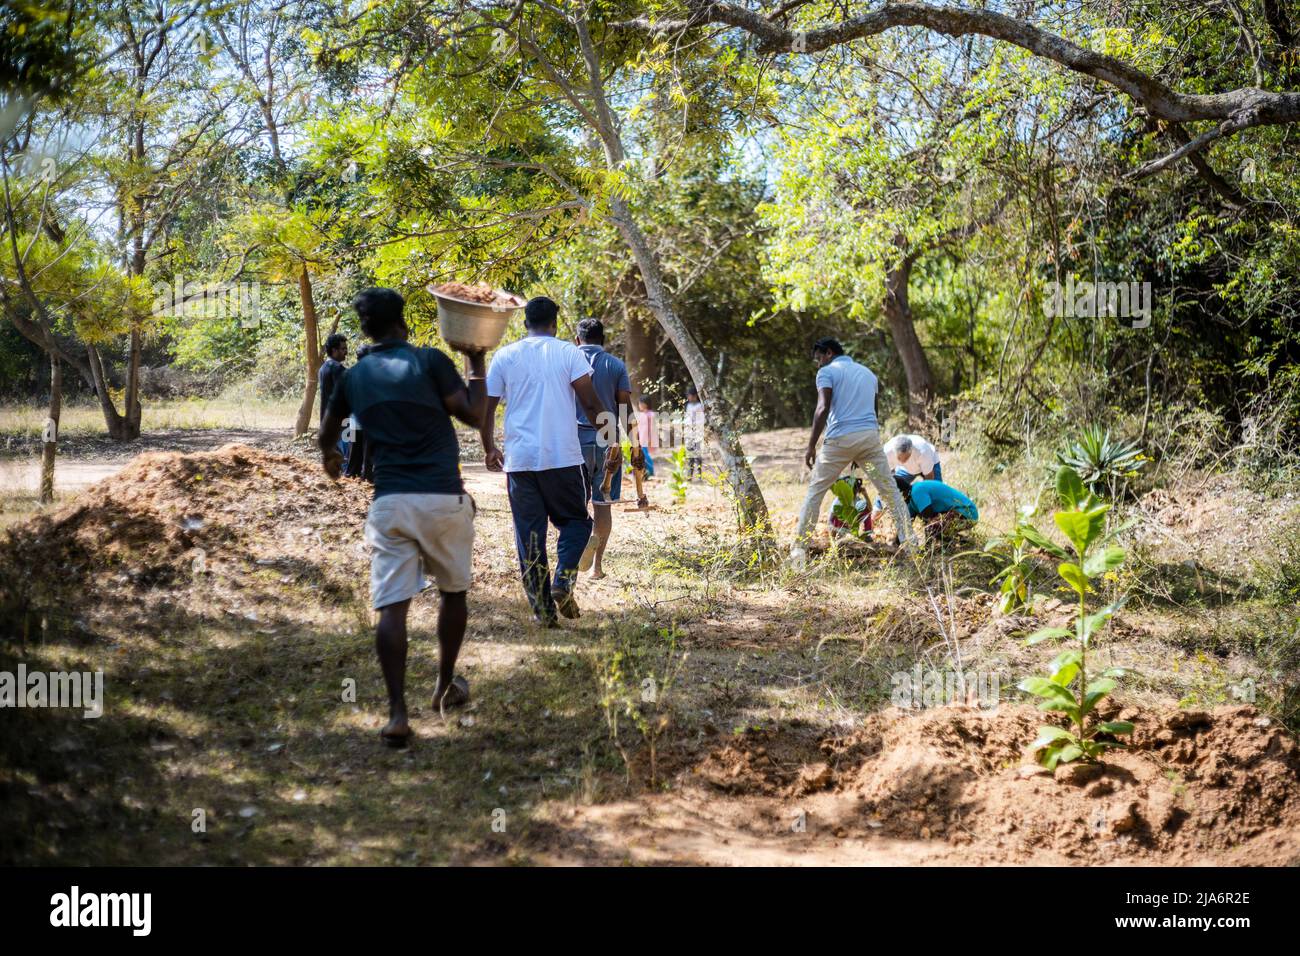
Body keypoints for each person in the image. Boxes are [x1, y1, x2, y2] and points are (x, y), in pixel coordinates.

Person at [318, 288, 487, 748]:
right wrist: (476, 361)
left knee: (392, 607)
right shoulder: (430, 361)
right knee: (454, 594)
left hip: (389, 503)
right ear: (403, 323)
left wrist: (332, 460)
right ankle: (444, 685)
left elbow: (327, 436)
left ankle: (396, 714)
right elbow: (473, 415)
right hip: (442, 500)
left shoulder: (351, 378)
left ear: (365, 329)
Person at [481, 296, 619, 625]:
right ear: (555, 323)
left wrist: (489, 447)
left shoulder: (505, 356)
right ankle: (564, 580)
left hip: (520, 462)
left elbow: (486, 409)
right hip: (563, 459)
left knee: (530, 536)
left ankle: (543, 613)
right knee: (577, 523)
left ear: (525, 322)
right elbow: (589, 403)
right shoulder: (568, 353)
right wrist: (611, 438)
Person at [792, 337, 916, 567]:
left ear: (829, 353)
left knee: (816, 492)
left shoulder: (827, 373)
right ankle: (912, 544)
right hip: (869, 439)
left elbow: (822, 408)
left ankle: (799, 550)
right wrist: (862, 452)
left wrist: (811, 446)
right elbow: (874, 412)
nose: (818, 363)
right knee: (890, 492)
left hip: (839, 440)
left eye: (819, 358)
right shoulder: (869, 374)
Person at [573, 318, 635, 581]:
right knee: (603, 504)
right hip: (607, 443)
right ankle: (597, 567)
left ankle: (571, 557)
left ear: (578, 340)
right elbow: (625, 410)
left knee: (574, 506)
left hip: (572, 443)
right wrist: (636, 445)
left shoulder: (567, 361)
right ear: (603, 340)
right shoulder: (615, 364)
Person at [894, 472, 978, 539]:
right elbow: (906, 524)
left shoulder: (917, 491)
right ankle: (959, 540)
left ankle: (957, 542)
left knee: (932, 527)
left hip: (968, 513)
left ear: (900, 493)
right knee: (932, 527)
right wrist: (896, 543)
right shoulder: (911, 500)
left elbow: (928, 517)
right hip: (958, 514)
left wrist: (927, 549)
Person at [319, 333, 350, 463]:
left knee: (335, 458)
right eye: (343, 349)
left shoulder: (323, 368)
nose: (346, 352)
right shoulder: (337, 368)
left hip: (328, 420)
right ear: (334, 350)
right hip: (343, 422)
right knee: (346, 457)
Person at [684, 386, 706, 480]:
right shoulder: (688, 406)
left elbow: (701, 420)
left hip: (697, 433)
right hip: (688, 433)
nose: (688, 398)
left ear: (695, 396)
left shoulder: (699, 406)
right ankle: (689, 475)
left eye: (690, 396)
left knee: (697, 455)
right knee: (690, 455)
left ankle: (699, 475)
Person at [635, 396, 658, 478]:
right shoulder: (641, 415)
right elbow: (639, 427)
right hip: (641, 438)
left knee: (646, 455)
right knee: (643, 455)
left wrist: (650, 439)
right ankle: (646, 471)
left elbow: (651, 428)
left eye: (640, 403)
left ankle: (651, 471)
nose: (639, 405)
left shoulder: (650, 415)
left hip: (647, 439)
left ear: (645, 404)